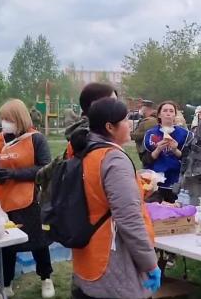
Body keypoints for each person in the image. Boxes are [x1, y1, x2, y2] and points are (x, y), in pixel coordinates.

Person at [71, 97, 160, 299]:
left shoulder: (84, 151)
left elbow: (97, 196)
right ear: (110, 127)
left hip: (86, 254)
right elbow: (129, 219)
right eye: (125, 119)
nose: (130, 124)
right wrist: (150, 263)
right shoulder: (113, 160)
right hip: (111, 262)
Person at [0, 99, 55, 298]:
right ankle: (6, 284)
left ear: (19, 118)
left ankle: (46, 278)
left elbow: (44, 167)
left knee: (38, 241)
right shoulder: (0, 140)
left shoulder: (36, 139)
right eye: (2, 119)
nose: (4, 123)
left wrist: (14, 174)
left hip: (30, 199)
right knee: (7, 245)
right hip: (4, 200)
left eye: (7, 119)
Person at [144, 101, 191, 203]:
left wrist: (175, 150)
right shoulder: (151, 133)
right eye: (165, 111)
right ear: (159, 115)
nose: (168, 113)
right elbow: (146, 160)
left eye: (171, 111)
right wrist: (158, 149)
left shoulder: (185, 134)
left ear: (175, 115)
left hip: (175, 180)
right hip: (155, 181)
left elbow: (187, 159)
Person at [131, 100, 158, 164]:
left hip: (146, 152)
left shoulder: (148, 121)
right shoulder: (155, 119)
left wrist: (129, 134)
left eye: (141, 107)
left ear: (145, 108)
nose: (140, 110)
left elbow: (137, 136)